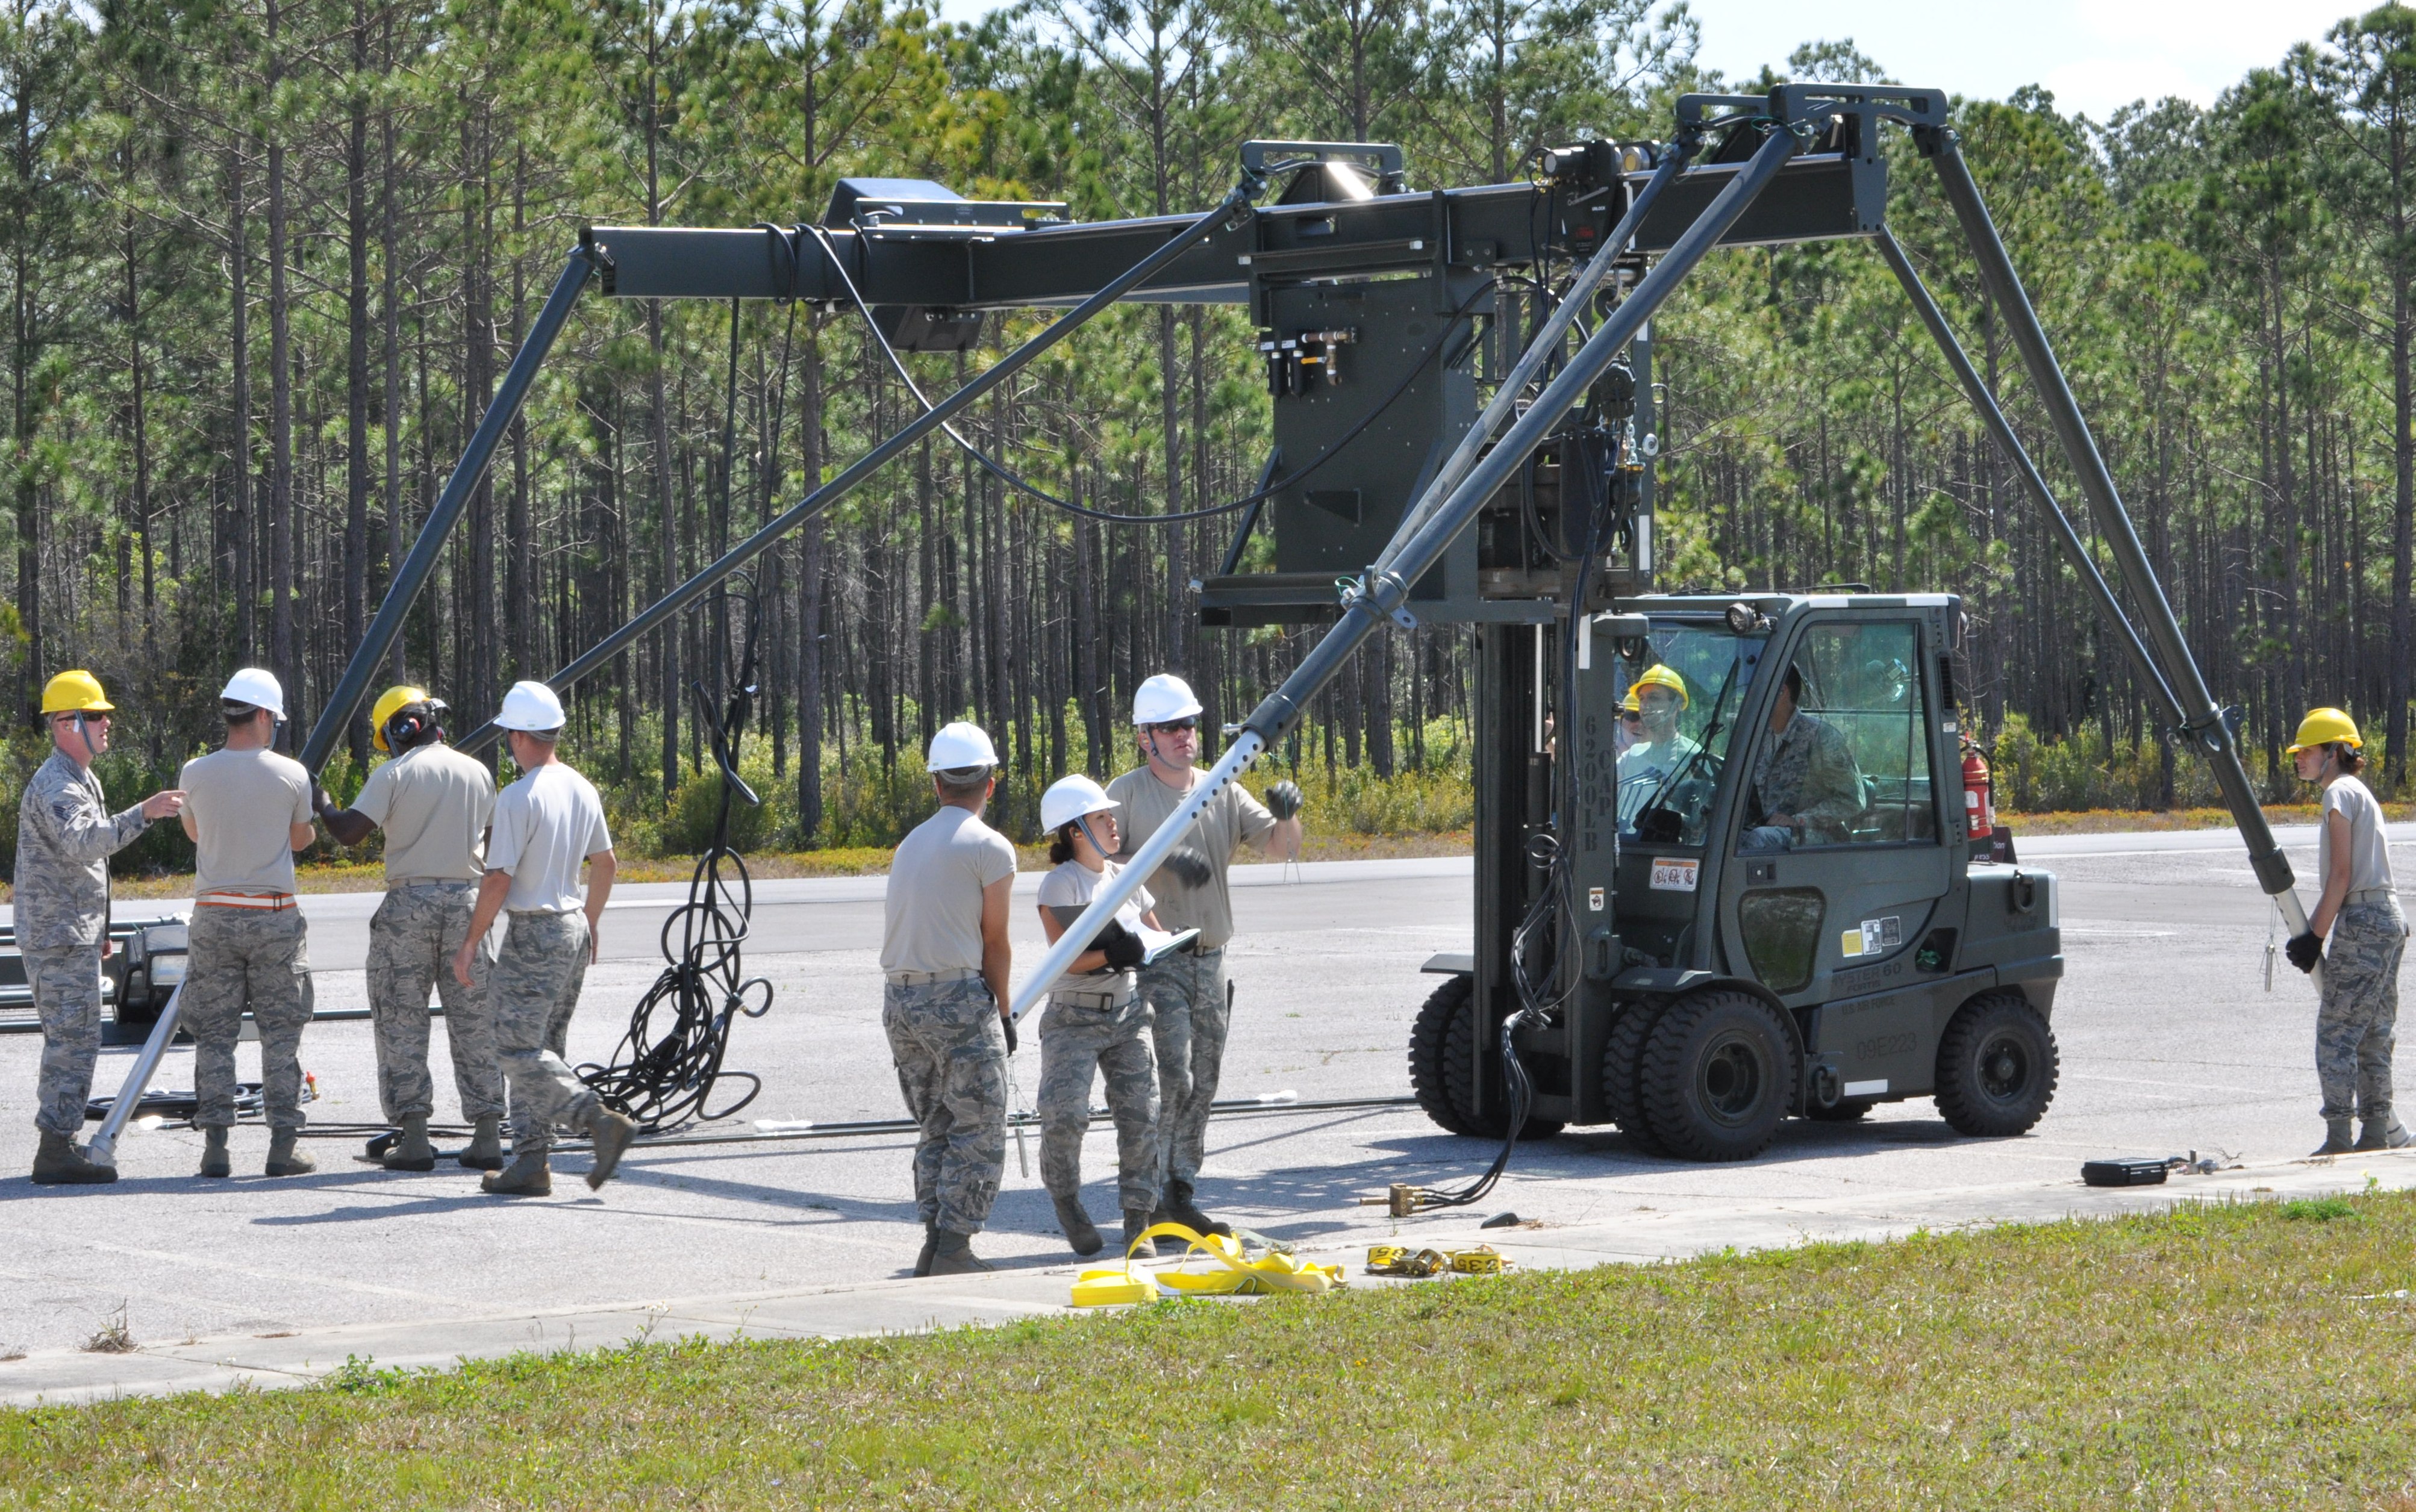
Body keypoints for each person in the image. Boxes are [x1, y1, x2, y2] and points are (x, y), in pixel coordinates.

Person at [1105, 673, 1303, 1237]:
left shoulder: (1222, 788)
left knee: (1202, 1082)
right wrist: (1160, 858)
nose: (1183, 735)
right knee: (1171, 1078)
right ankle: (1148, 1197)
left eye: (1189, 724)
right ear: (1144, 737)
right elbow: (1097, 864)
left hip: (1210, 959)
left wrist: (1287, 812)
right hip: (1158, 960)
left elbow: (1283, 848)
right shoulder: (1126, 793)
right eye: (1169, 727)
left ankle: (1180, 1191)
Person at [449, 680, 635, 1196]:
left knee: (512, 1047)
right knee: (542, 1048)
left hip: (535, 930)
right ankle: (532, 1163)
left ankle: (597, 1121)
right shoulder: (581, 787)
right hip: (572, 923)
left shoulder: (518, 796)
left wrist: (470, 941)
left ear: (516, 735)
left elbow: (498, 877)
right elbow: (605, 863)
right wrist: (590, 921)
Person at [316, 685, 504, 1173]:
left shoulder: (394, 774)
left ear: (401, 729)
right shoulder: (478, 772)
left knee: (401, 1019)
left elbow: (350, 832)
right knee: (475, 1021)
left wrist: (324, 803)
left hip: (409, 905)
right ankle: (487, 1134)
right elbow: (491, 840)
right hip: (467, 904)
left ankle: (415, 1136)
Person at [19, 671, 186, 1185]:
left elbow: (86, 865)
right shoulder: (58, 782)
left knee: (77, 1038)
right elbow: (85, 843)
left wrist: (101, 929)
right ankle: (55, 1148)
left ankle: (59, 1141)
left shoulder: (80, 777)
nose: (106, 722)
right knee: (72, 1042)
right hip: (58, 936)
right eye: (95, 715)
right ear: (66, 724)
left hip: (72, 933)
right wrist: (145, 812)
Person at [880, 721, 1016, 1277]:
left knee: (936, 1121)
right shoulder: (990, 846)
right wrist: (1003, 1010)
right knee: (979, 1123)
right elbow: (995, 941)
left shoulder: (908, 843)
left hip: (900, 1001)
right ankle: (955, 1248)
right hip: (955, 998)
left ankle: (935, 1243)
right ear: (990, 784)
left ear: (936, 784)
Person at [177, 668, 321, 1178]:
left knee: (214, 1035)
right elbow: (300, 839)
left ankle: (216, 1146)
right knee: (281, 1034)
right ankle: (283, 1145)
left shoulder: (194, 772)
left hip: (214, 913)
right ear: (262, 715)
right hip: (273, 916)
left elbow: (195, 833)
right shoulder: (292, 774)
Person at [1032, 774, 1163, 1258]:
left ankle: (1138, 1222)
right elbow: (1064, 959)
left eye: (1111, 815)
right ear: (1076, 831)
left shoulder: (1126, 875)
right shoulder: (1060, 884)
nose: (1112, 823)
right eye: (1101, 817)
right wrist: (1111, 955)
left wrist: (1162, 943)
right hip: (1074, 1017)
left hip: (1128, 1014)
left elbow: (1155, 933)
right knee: (1065, 1116)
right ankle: (1067, 1201)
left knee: (1141, 1114)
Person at [2281, 708, 2412, 1154]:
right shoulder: (2360, 791)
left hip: (2363, 920)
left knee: (2336, 1033)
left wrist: (2313, 937)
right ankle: (2374, 1132)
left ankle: (2338, 1136)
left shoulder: (2337, 792)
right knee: (2374, 1033)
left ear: (2334, 752)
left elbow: (2340, 875)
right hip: (2388, 917)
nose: (2299, 759)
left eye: (2307, 751)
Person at [1740, 662, 1864, 851]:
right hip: (1773, 830)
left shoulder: (1820, 736)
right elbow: (1753, 800)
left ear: (1782, 692)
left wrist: (1800, 820)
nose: (1748, 699)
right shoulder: (1760, 739)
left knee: (1760, 839)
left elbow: (1852, 800)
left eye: (1756, 691)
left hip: (1817, 835)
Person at [1617, 664, 1699, 828]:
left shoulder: (1694, 756)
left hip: (1668, 843)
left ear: (1677, 705)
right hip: (1629, 842)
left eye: (1654, 698)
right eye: (1642, 698)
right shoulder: (1631, 757)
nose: (1645, 705)